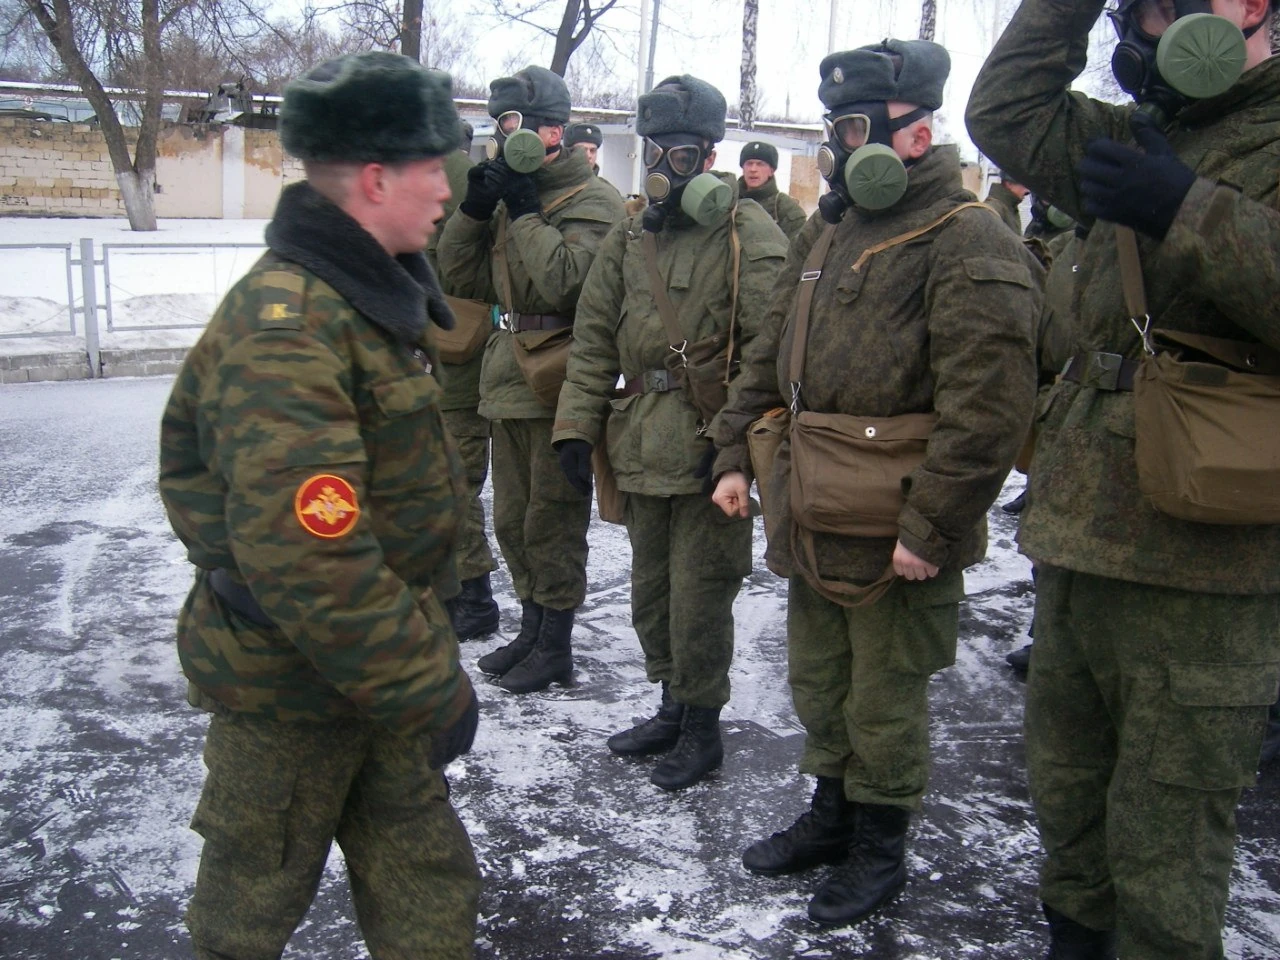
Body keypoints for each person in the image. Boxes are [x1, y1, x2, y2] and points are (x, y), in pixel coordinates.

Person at [967, 0, 1280, 955]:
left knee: (1167, 844)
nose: (1153, 28)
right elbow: (1007, 112)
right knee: (1067, 796)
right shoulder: (1142, 136)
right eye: (1138, 9)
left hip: (1205, 560)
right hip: (1085, 531)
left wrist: (1187, 209)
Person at [710, 39, 1041, 928]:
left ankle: (878, 846)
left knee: (885, 693)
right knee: (820, 680)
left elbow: (991, 405)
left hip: (896, 519)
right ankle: (831, 814)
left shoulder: (965, 234)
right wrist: (733, 452)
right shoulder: (830, 228)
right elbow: (772, 355)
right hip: (814, 501)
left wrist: (931, 526)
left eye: (853, 127)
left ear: (916, 133)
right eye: (832, 128)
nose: (835, 146)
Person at [159, 53, 480, 959]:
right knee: (247, 916)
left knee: (428, 892)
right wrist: (429, 687)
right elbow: (311, 561)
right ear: (377, 178)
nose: (446, 191)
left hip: (376, 673)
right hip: (290, 691)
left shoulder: (358, 300)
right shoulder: (292, 326)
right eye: (433, 168)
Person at [552, 76, 788, 790]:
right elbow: (594, 337)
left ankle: (701, 724)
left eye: (689, 152)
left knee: (700, 595)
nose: (673, 165)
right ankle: (669, 703)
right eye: (662, 150)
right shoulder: (631, 235)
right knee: (650, 591)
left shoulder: (752, 236)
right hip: (640, 441)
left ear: (712, 153)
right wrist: (573, 428)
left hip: (712, 450)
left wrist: (732, 456)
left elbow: (769, 357)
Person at [437, 65, 626, 694]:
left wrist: (522, 213)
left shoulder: (593, 201)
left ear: (553, 132)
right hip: (507, 374)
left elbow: (566, 282)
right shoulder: (518, 198)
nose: (502, 134)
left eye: (512, 123)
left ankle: (556, 642)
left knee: (551, 521)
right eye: (498, 124)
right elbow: (458, 277)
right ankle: (530, 626)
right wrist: (474, 208)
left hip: (559, 378)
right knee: (512, 520)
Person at [429, 119, 502, 643]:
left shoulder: (442, 177)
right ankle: (463, 590)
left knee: (450, 484)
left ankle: (472, 596)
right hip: (464, 354)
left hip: (446, 356)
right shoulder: (470, 175)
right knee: (455, 482)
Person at [737, 140, 808, 240]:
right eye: (749, 163)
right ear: (743, 168)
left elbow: (796, 250)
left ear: (771, 170)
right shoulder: (730, 201)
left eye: (760, 164)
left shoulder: (785, 209)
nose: (753, 169)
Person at [984, 169, 1030, 233]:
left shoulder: (1009, 207)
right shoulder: (994, 208)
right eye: (1024, 185)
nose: (1027, 191)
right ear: (1009, 184)